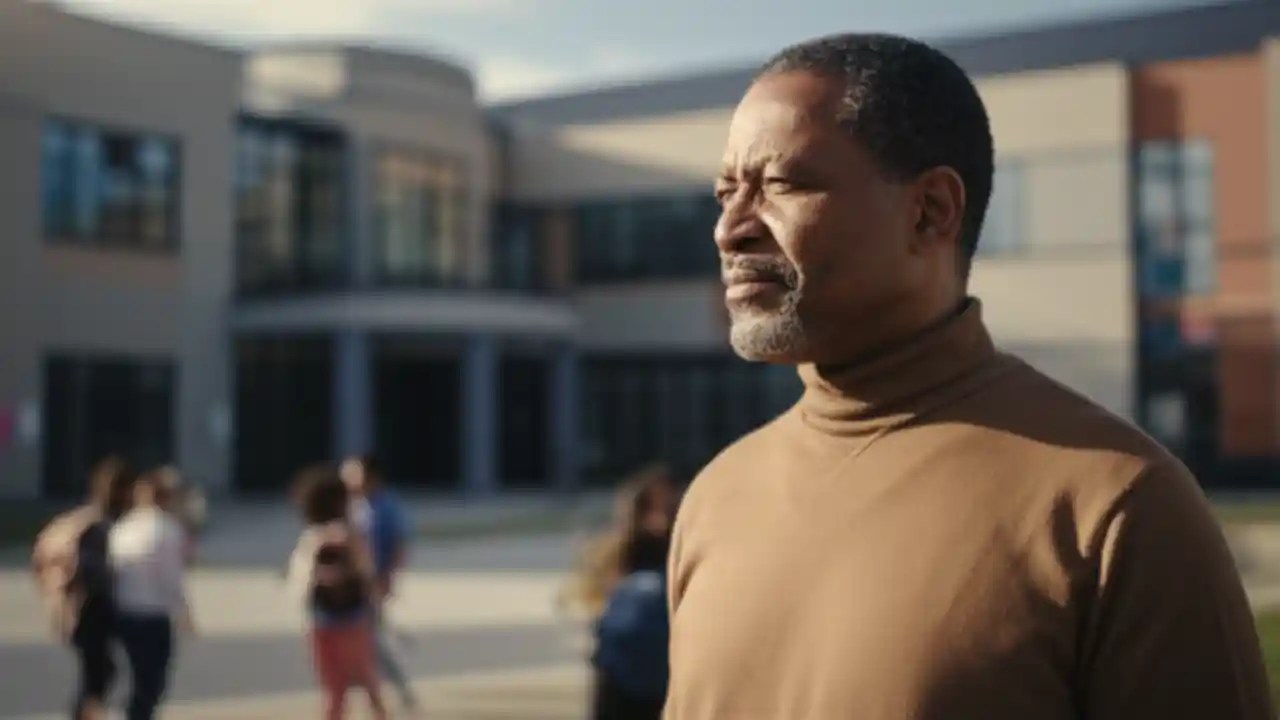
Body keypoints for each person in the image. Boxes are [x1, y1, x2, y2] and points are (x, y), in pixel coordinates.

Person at [664, 33, 1272, 720]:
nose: (730, 230)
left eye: (781, 185)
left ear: (931, 212)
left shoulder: (1114, 506)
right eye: (725, 193)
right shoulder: (716, 498)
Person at [562, 463, 678, 720]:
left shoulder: (685, 550)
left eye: (668, 509)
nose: (659, 520)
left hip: (668, 676)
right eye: (651, 509)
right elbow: (587, 601)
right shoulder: (614, 552)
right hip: (620, 675)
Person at [31, 455, 136, 720]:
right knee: (98, 675)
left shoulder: (80, 519)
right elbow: (90, 569)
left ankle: (87, 713)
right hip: (90, 610)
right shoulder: (98, 526)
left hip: (77, 609)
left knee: (101, 673)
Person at [288, 464, 387, 720]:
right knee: (367, 682)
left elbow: (300, 582)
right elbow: (367, 572)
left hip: (320, 619)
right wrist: (377, 609)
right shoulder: (349, 536)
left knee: (333, 691)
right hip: (352, 616)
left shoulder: (311, 538)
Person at [109, 469, 193, 720]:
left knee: (139, 677)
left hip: (125, 611)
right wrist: (183, 612)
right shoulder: (167, 529)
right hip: (153, 615)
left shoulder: (124, 526)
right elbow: (170, 578)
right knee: (152, 682)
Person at [339, 454, 418, 713]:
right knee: (367, 638)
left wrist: (389, 578)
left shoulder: (386, 506)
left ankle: (393, 691)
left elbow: (399, 545)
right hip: (352, 584)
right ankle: (385, 691)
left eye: (353, 473)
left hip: (372, 583)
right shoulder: (351, 505)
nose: (347, 479)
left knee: (369, 639)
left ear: (370, 476)